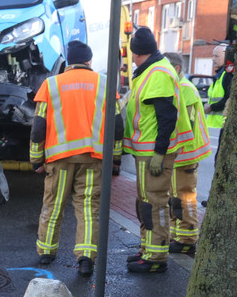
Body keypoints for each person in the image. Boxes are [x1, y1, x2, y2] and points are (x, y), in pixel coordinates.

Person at [29, 39, 116, 278]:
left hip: (59, 158)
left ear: (68, 62)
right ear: (89, 61)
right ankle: (86, 258)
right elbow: (116, 125)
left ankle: (47, 252)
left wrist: (36, 159)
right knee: (88, 209)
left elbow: (38, 126)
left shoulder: (51, 84)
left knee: (53, 206)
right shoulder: (105, 84)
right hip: (93, 157)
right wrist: (114, 158)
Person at [122, 27, 190, 273]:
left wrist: (160, 152)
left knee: (155, 204)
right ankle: (147, 249)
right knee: (145, 202)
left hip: (153, 151)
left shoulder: (158, 73)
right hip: (147, 151)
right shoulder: (151, 71)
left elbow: (166, 117)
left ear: (138, 53)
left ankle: (156, 257)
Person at [164, 52, 210, 255]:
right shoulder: (180, 88)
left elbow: (186, 124)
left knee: (184, 196)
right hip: (181, 151)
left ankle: (188, 238)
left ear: (176, 69)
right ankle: (178, 236)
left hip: (186, 152)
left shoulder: (184, 89)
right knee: (177, 196)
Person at [205, 43, 233, 130]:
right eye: (213, 56)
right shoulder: (219, 76)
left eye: (217, 56)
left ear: (226, 57)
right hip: (214, 125)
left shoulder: (228, 75)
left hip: (222, 125)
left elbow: (229, 99)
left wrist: (211, 107)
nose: (213, 59)